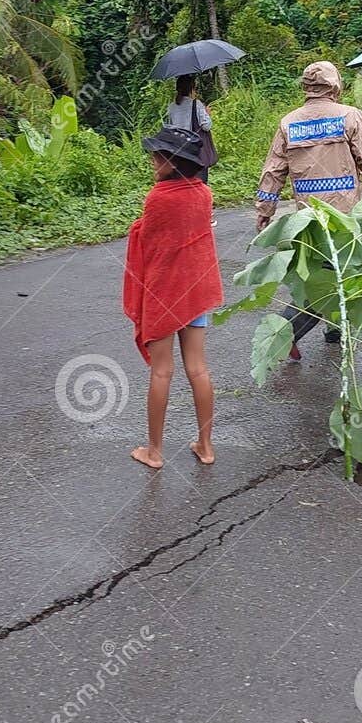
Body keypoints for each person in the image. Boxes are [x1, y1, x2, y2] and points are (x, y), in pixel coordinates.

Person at [255, 60, 362, 360]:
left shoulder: (289, 123)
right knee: (329, 280)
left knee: (327, 273)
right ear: (336, 85)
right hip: (343, 217)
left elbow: (274, 170)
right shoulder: (350, 116)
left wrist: (265, 208)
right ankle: (286, 332)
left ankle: (335, 329)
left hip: (308, 219)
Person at [123, 126, 223, 469]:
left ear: (171, 161)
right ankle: (206, 446)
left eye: (157, 155)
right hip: (195, 292)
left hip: (164, 294)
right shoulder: (204, 193)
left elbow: (148, 241)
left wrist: (136, 227)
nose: (153, 159)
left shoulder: (158, 198)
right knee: (198, 368)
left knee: (162, 373)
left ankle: (154, 451)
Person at [166, 73, 213, 183]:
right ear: (191, 88)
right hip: (195, 149)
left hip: (178, 148)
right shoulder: (196, 104)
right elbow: (206, 126)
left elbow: (169, 127)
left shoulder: (171, 107)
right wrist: (208, 115)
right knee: (200, 181)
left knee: (183, 180)